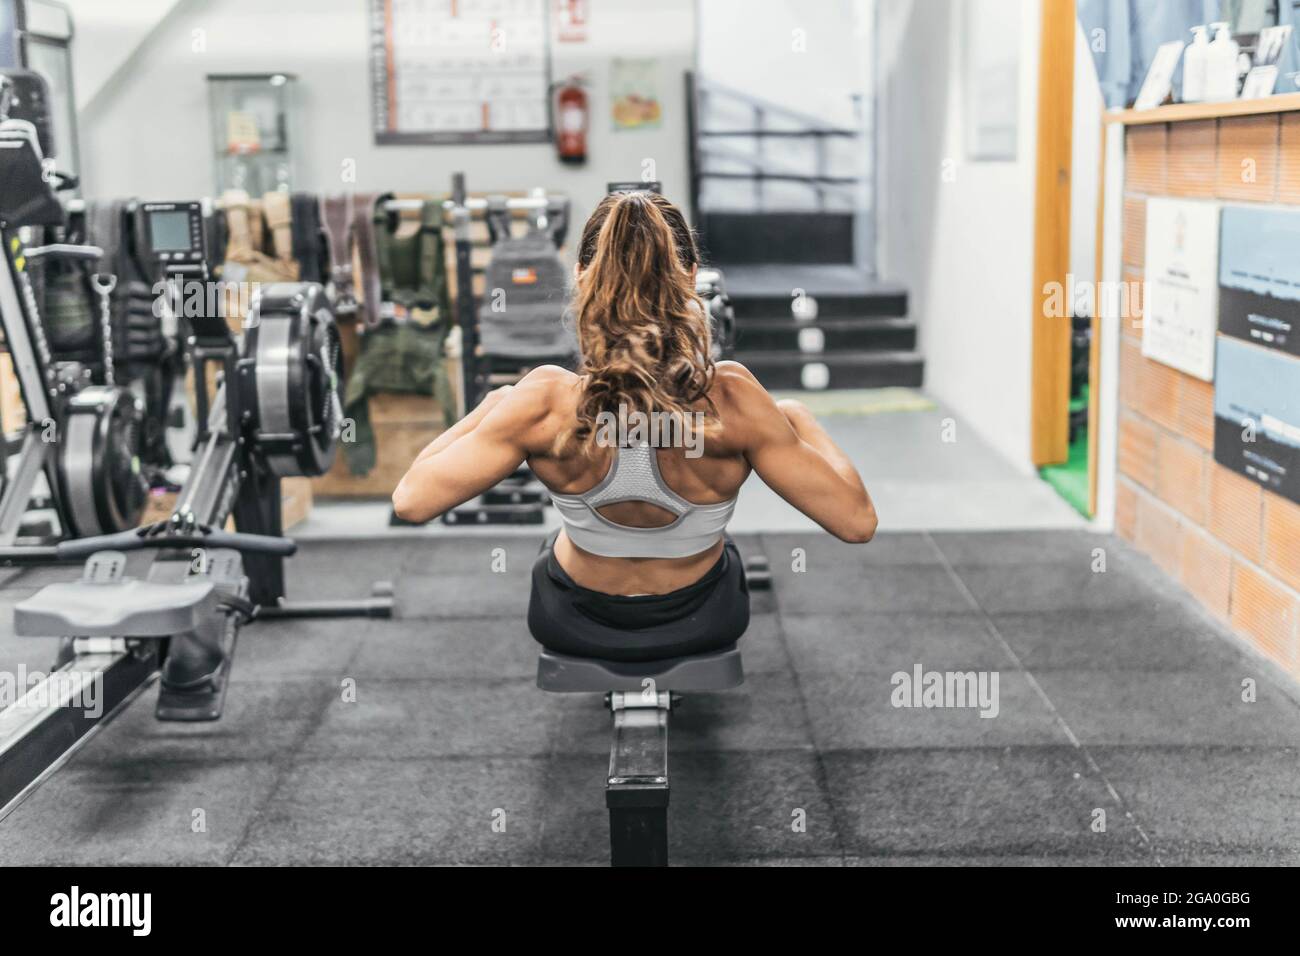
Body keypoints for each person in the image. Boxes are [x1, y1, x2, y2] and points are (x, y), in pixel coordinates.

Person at [393, 191, 876, 662]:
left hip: (574, 621)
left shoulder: (542, 400)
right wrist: (799, 418)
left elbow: (411, 501)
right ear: (690, 278)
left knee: (554, 545)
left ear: (582, 276)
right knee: (729, 544)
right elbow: (856, 523)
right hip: (703, 620)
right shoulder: (733, 397)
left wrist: (494, 405)